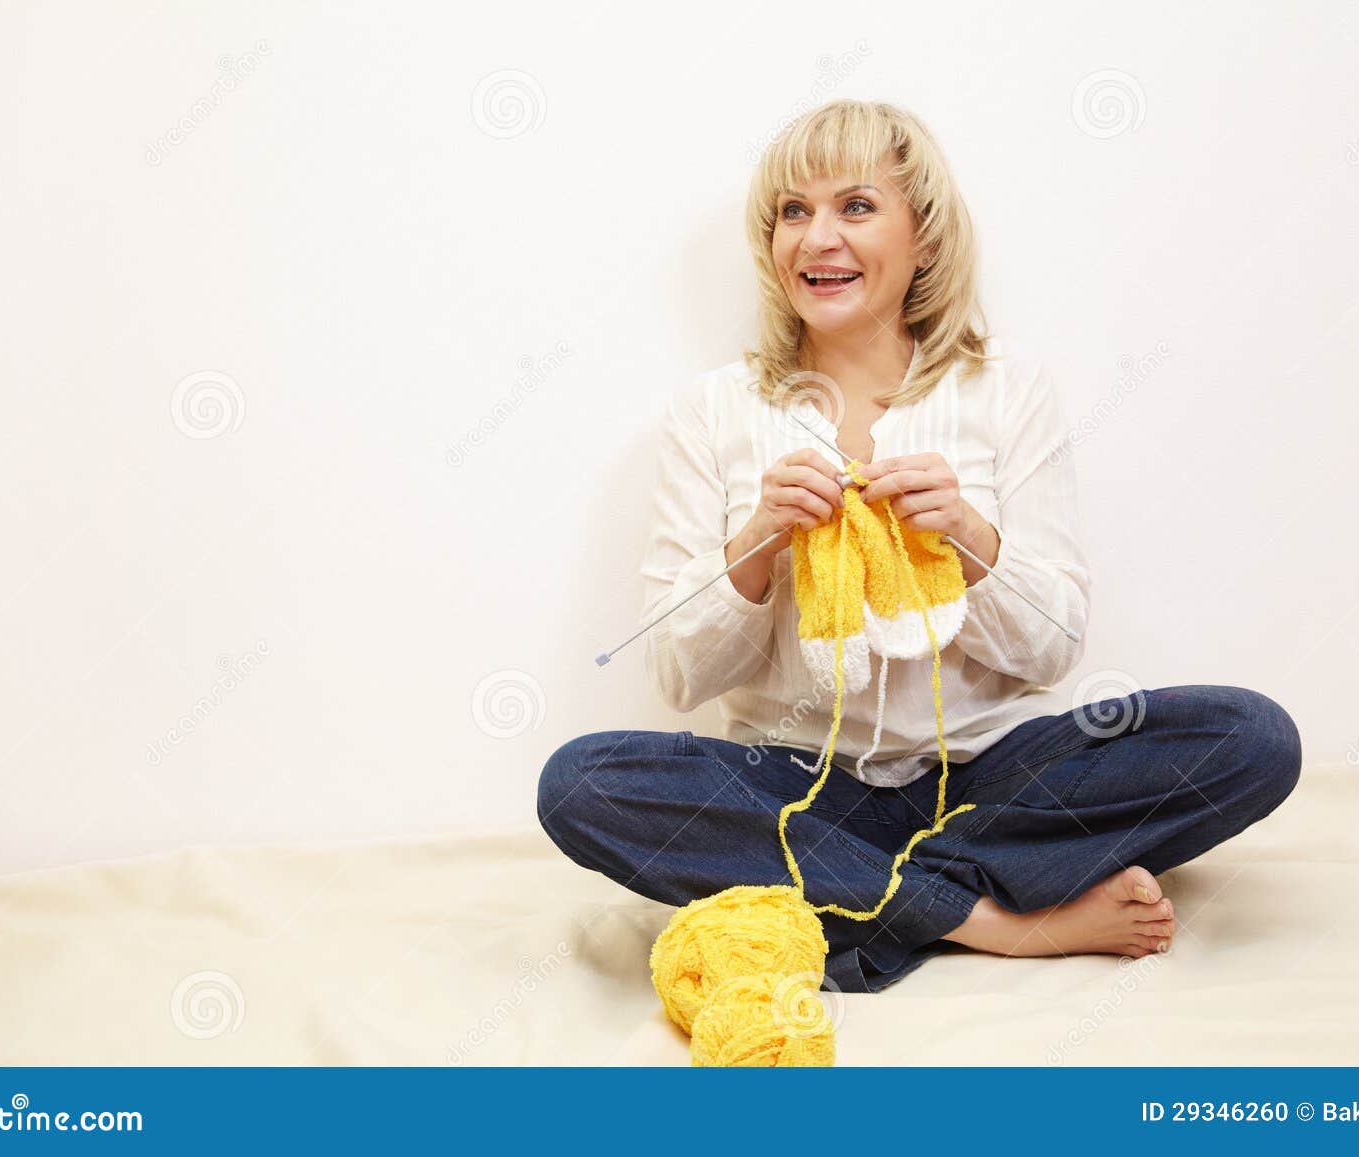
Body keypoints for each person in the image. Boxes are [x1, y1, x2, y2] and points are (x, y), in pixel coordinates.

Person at [537, 99, 1301, 995]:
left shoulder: (1008, 390)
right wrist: (754, 544)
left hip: (988, 777)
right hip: (796, 785)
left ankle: (853, 890)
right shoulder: (713, 410)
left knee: (1251, 735)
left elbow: (1052, 651)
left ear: (925, 238)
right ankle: (1001, 921)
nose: (816, 237)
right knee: (581, 783)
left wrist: (972, 537)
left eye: (855, 207)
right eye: (793, 211)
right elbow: (676, 676)